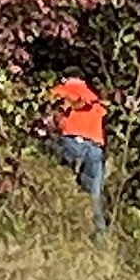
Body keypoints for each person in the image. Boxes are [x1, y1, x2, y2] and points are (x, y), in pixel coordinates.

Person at [50, 69, 107, 236]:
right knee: (94, 196)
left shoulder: (62, 90)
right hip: (94, 148)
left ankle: (64, 227)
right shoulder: (94, 98)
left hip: (72, 143)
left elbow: (54, 115)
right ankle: (99, 236)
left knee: (61, 182)